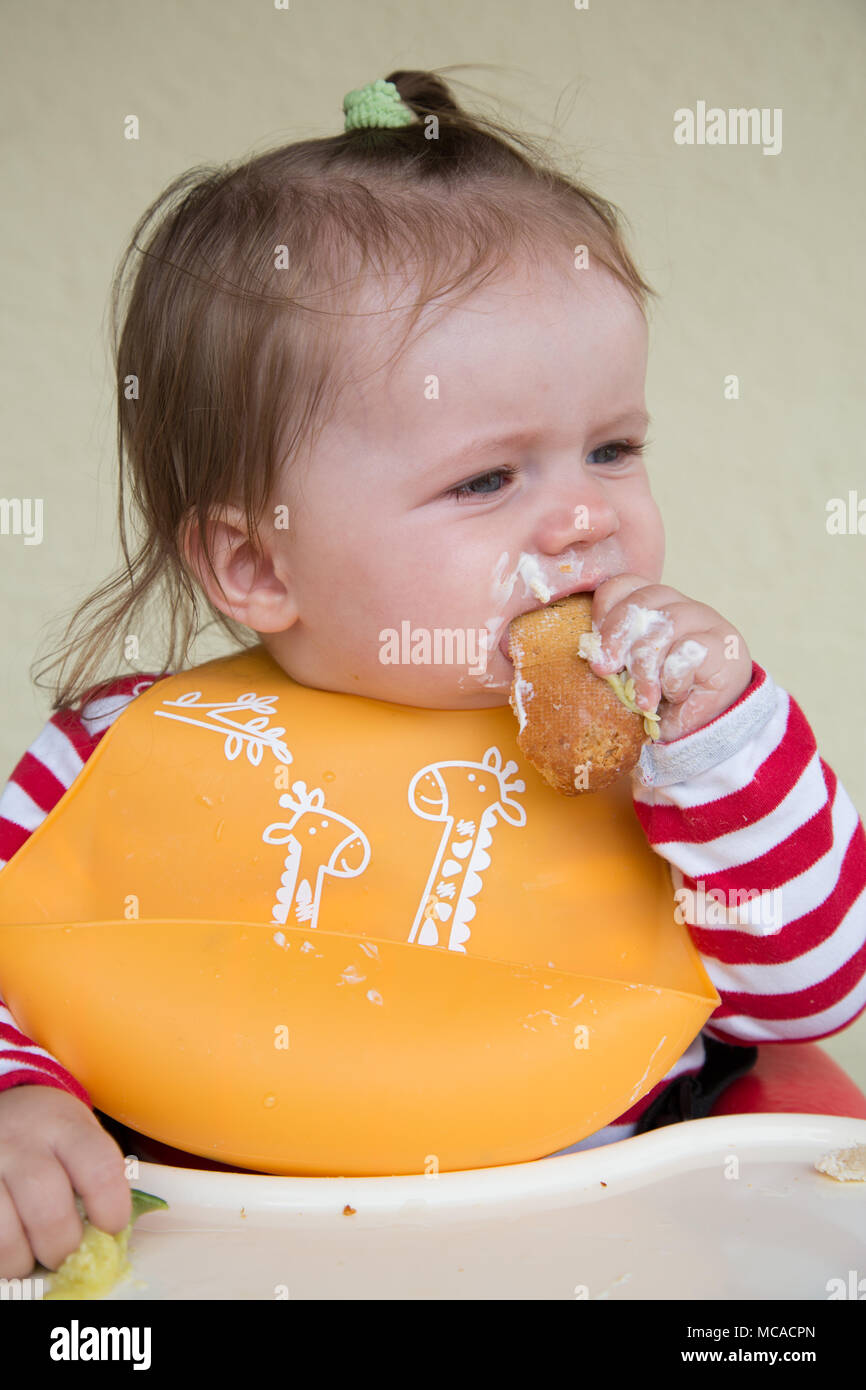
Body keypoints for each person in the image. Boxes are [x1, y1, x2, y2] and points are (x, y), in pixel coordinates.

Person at [1, 70, 863, 1281]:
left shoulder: (674, 764)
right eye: (486, 480)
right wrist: (20, 1105)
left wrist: (727, 738)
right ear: (255, 560)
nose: (583, 518)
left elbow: (813, 999)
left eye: (611, 449)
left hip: (607, 1251)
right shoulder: (113, 754)